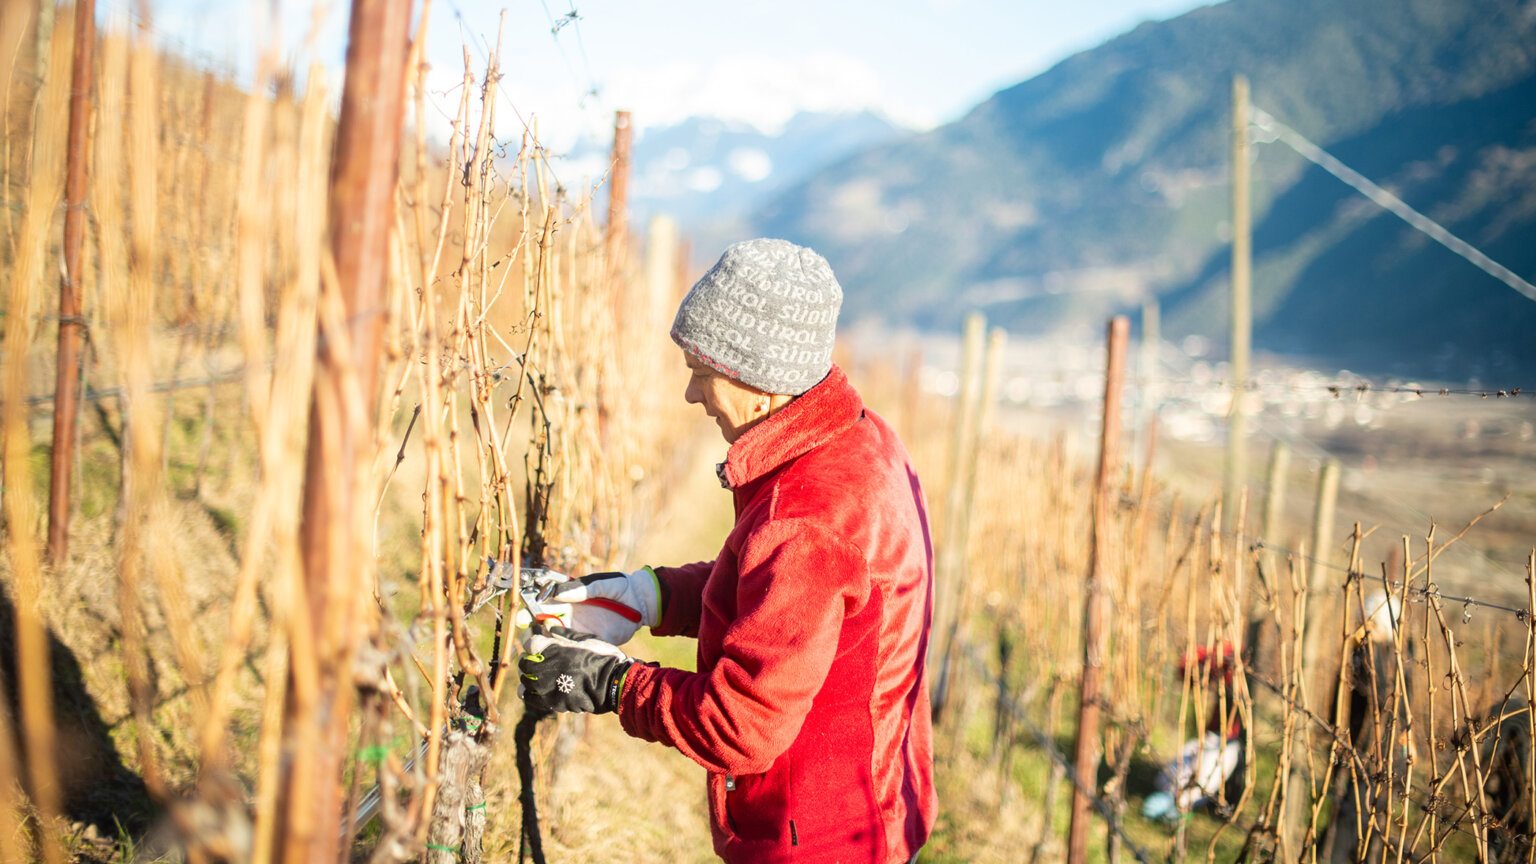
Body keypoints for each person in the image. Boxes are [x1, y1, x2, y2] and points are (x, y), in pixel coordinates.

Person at [519, 238, 937, 863]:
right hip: (863, 803)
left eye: (702, 372)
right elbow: (783, 593)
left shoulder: (809, 514)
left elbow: (740, 728)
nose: (693, 394)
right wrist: (647, 597)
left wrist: (609, 683)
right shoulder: (854, 441)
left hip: (819, 840)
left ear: (757, 385)